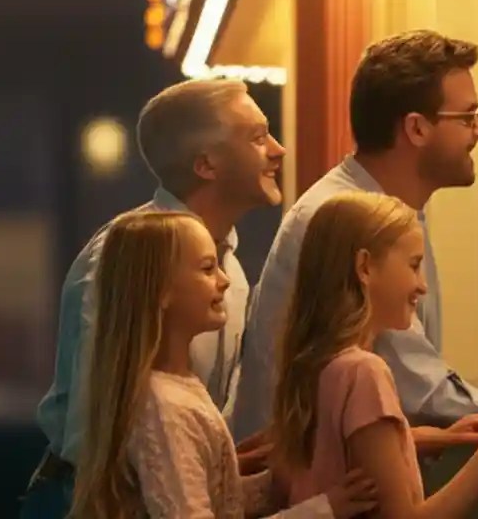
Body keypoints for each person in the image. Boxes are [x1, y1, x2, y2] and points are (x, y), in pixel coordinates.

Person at [233, 30, 478, 448]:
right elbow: (422, 392)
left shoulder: (390, 209)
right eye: (469, 116)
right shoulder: (343, 218)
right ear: (417, 129)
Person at [21, 79, 286, 518]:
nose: (278, 150)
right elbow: (103, 438)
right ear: (206, 164)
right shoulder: (123, 261)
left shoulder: (229, 269)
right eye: (258, 137)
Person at [271, 192, 478, 518]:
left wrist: (438, 437)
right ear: (364, 267)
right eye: (414, 265)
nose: (422, 286)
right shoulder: (364, 371)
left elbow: (354, 455)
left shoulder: (315, 365)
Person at [72, 210, 377, 518]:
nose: (224, 280)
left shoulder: (178, 387)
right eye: (207, 269)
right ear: (160, 290)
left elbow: (219, 503)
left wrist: (279, 483)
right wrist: (322, 510)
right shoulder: (164, 410)